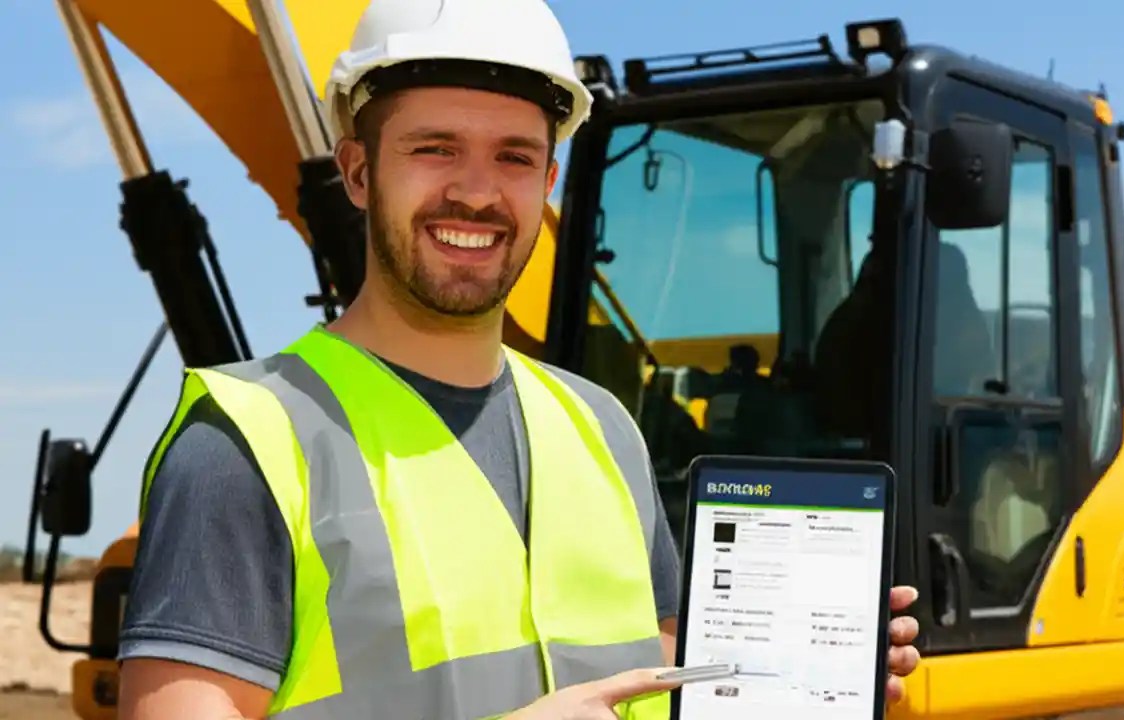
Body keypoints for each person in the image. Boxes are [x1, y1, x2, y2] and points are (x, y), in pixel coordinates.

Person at [115, 0, 922, 717]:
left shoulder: (603, 428)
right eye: (435, 148)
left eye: (513, 156)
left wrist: (794, 672)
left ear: (547, 182)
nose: (476, 191)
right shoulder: (248, 445)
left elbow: (663, 685)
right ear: (359, 172)